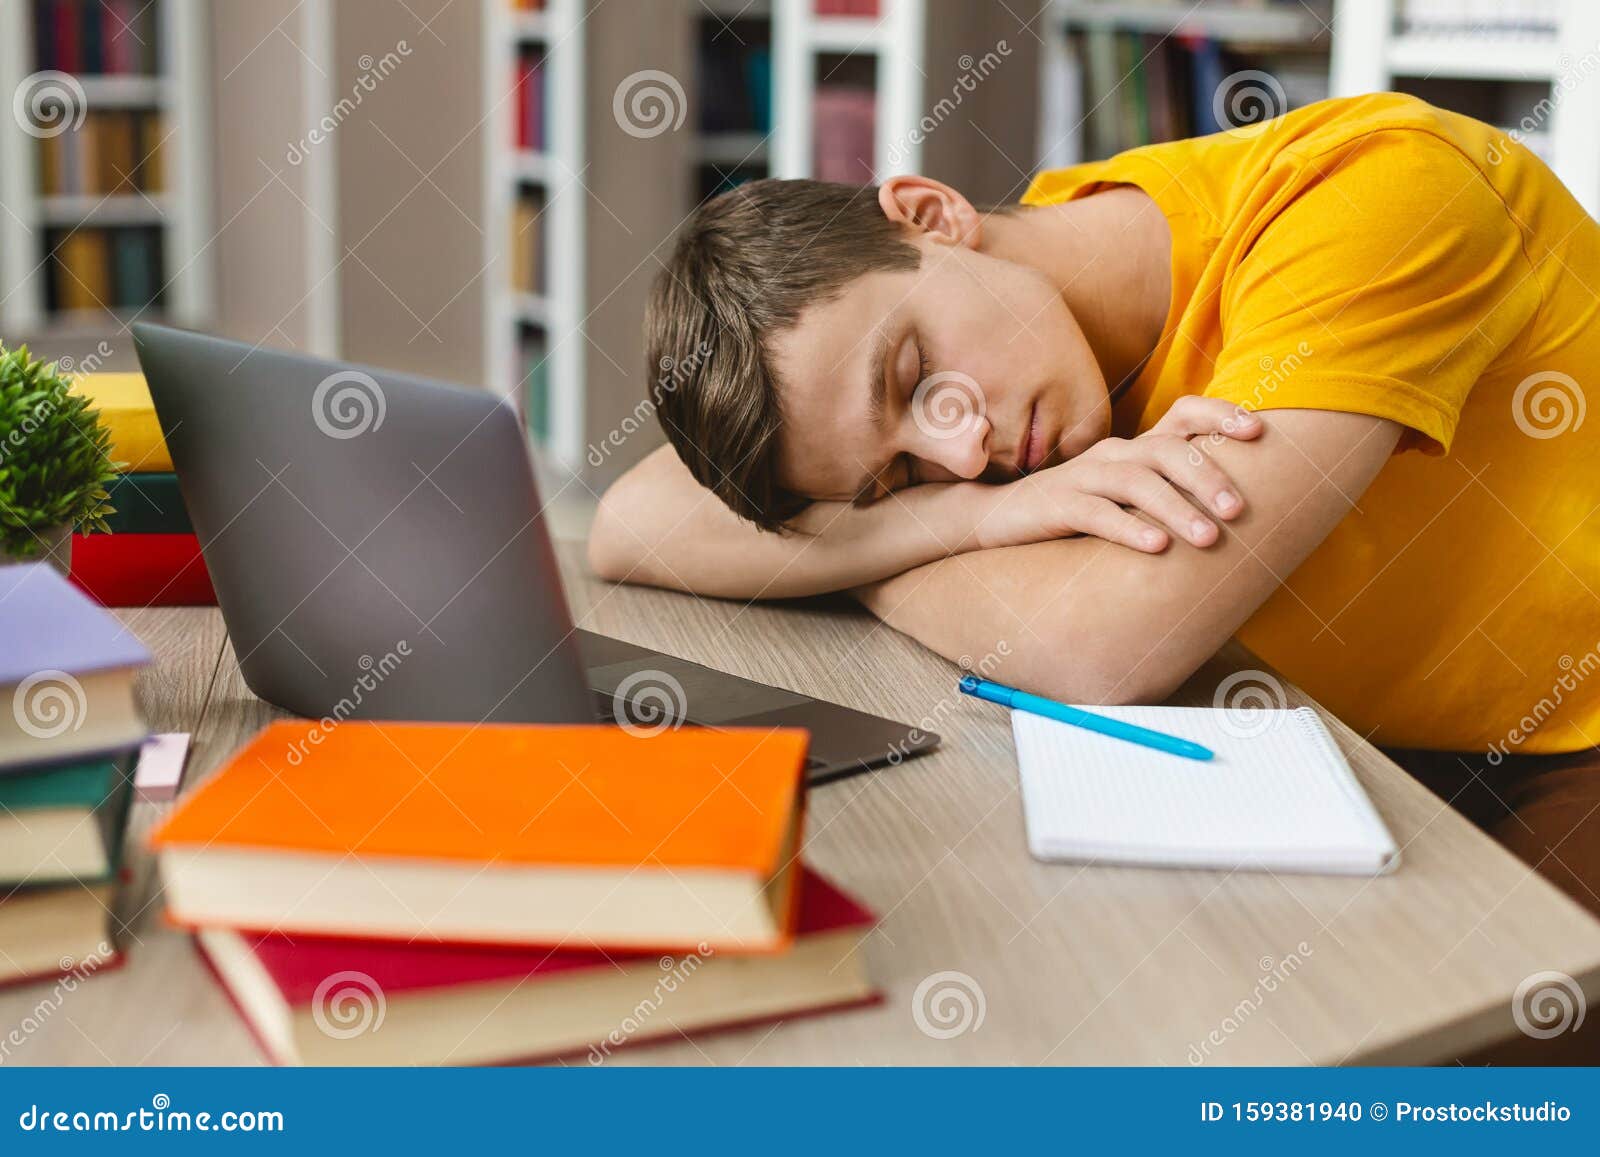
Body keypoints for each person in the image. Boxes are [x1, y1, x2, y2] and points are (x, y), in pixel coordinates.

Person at [587, 93, 1600, 917]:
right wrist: (962, 523)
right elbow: (630, 521)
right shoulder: (1015, 307)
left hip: (1570, 738)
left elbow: (1102, 651)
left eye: (913, 374)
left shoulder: (1377, 195)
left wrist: (856, 552)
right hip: (1348, 732)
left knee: (1465, 1042)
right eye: (895, 474)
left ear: (930, 216)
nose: (963, 448)